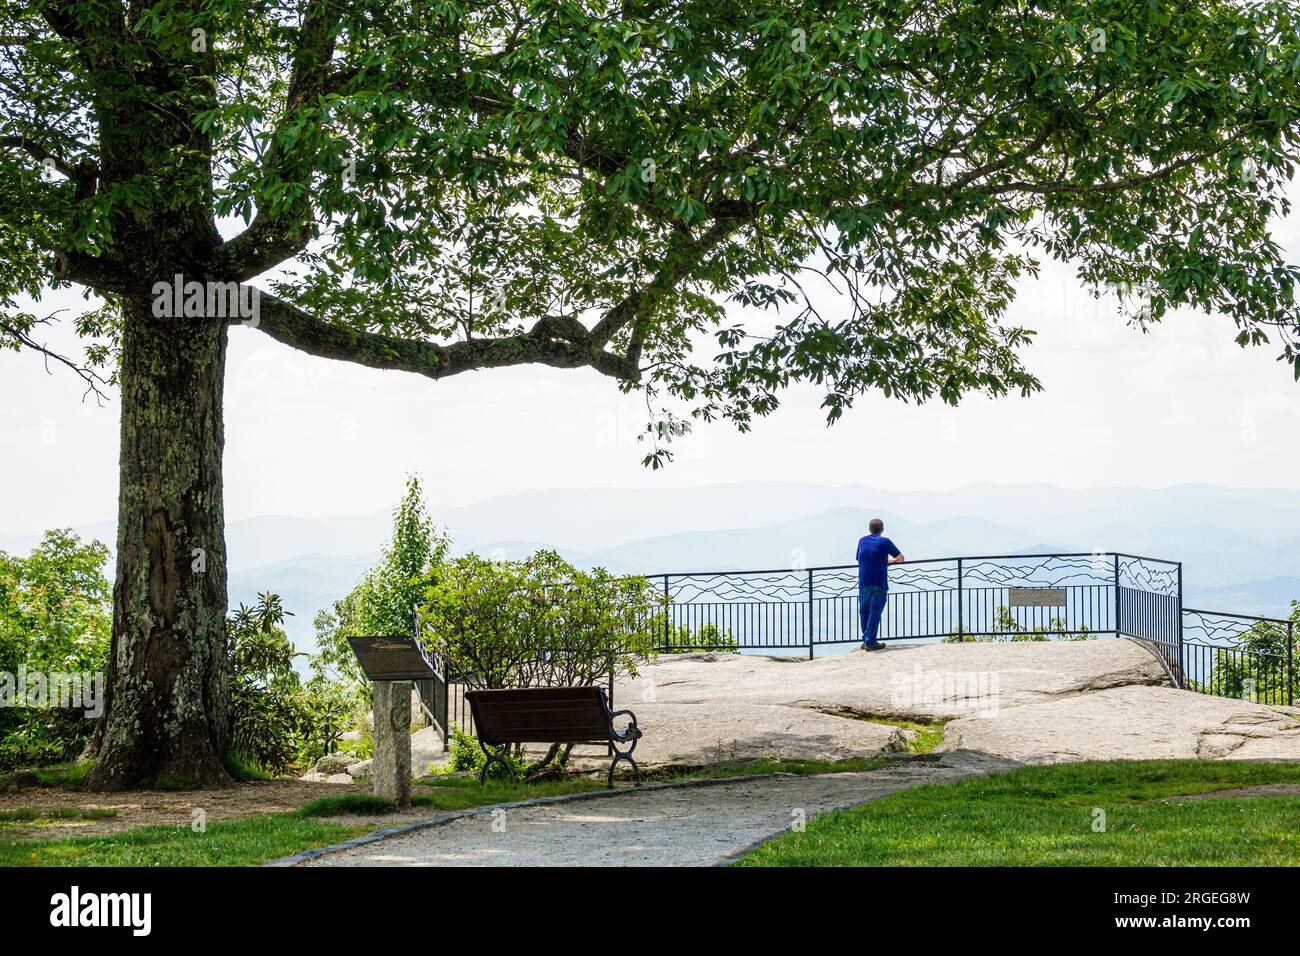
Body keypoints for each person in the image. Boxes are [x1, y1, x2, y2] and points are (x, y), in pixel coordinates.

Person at [856, 518, 904, 649]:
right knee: (875, 611)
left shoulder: (862, 541)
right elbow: (901, 558)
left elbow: (859, 559)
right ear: (882, 529)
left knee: (864, 611)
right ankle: (870, 642)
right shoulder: (885, 542)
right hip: (879, 582)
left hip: (864, 581)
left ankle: (866, 640)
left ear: (869, 529)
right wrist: (890, 562)